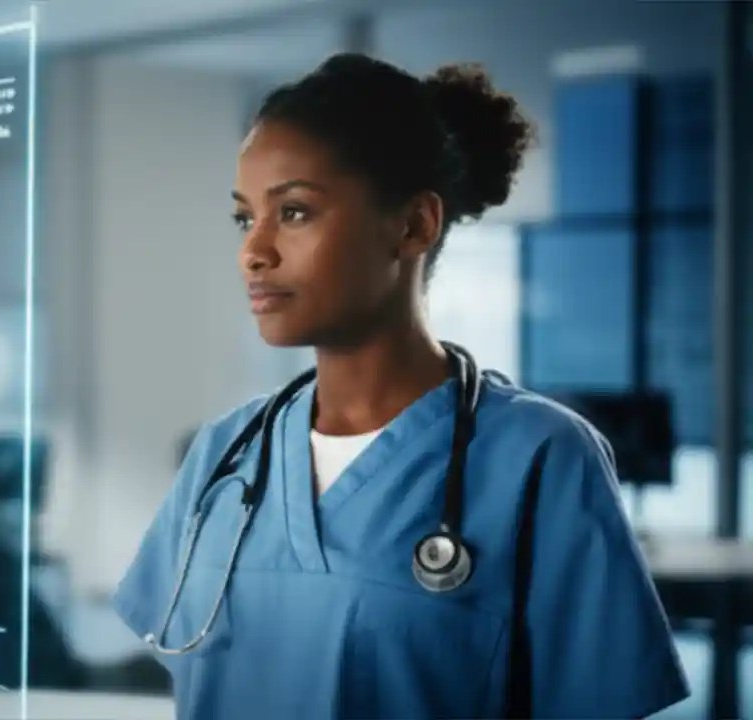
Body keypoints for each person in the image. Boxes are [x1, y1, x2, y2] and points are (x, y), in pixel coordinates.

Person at [113, 53, 690, 719]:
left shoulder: (539, 458)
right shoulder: (224, 452)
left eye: (295, 212)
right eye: (246, 218)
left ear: (414, 225)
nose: (254, 251)